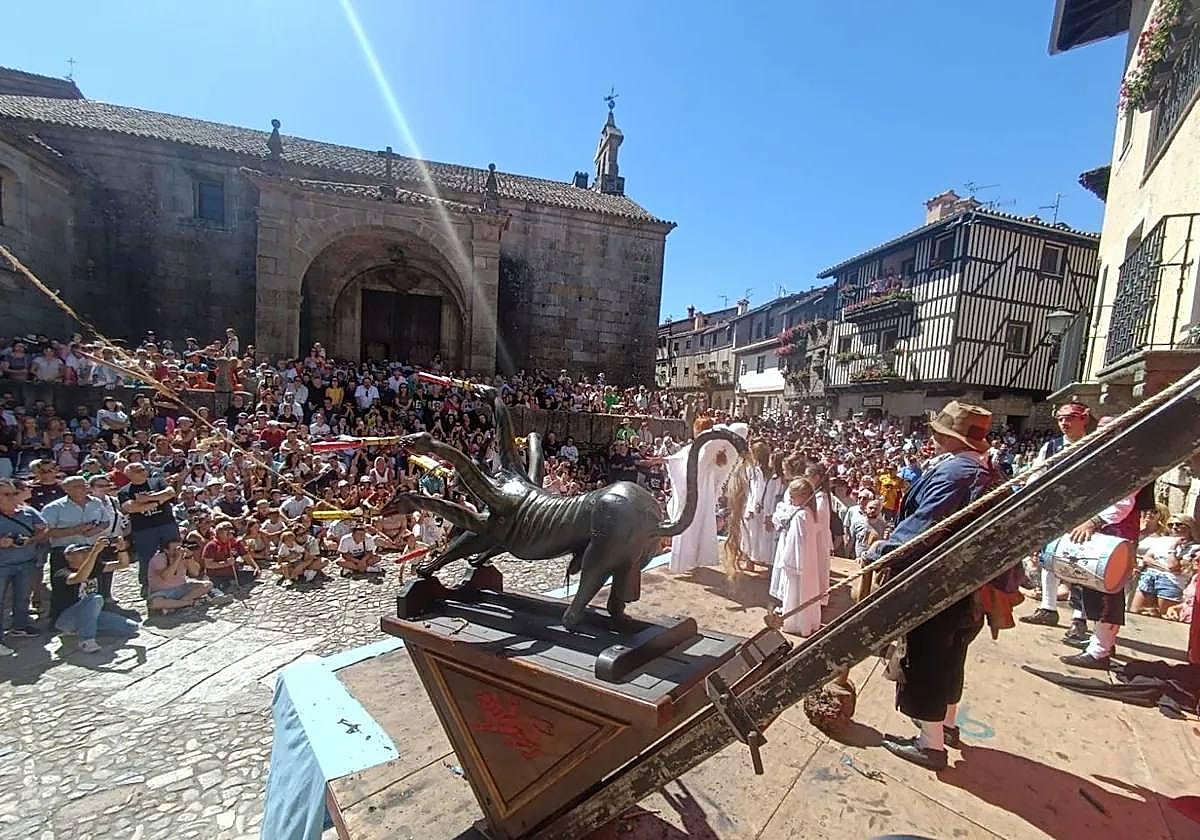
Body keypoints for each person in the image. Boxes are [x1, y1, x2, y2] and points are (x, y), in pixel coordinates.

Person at [870, 401, 999, 770]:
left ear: (950, 436)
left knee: (926, 657)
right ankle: (947, 725)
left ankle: (930, 745)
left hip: (938, 583)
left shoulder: (955, 473)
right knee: (952, 657)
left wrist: (884, 550)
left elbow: (927, 524)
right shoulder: (984, 469)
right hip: (967, 583)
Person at [1020, 402, 1092, 628]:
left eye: (1069, 418)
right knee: (1048, 557)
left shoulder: (1094, 444)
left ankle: (1079, 617)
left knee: (1079, 563)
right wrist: (1032, 502)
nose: (1064, 423)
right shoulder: (1051, 447)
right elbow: (1037, 474)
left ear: (1083, 419)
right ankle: (1048, 607)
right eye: (1060, 419)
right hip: (1054, 510)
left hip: (1083, 511)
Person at [664, 421, 745, 573]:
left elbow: (682, 463)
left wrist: (666, 461)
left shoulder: (705, 448)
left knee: (688, 528)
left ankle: (685, 561)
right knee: (699, 527)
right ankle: (696, 560)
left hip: (693, 493)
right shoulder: (718, 449)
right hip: (705, 496)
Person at [51, 540, 139, 653]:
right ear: (68, 557)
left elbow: (123, 564)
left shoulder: (95, 567)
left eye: (88, 550)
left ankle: (83, 629)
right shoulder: (61, 573)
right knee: (95, 599)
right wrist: (94, 553)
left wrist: (121, 549)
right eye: (80, 552)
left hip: (91, 615)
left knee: (132, 627)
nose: (85, 554)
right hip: (66, 619)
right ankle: (86, 640)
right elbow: (79, 577)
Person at [768, 477, 823, 637]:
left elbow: (795, 542)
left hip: (796, 563)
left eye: (793, 496)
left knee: (795, 594)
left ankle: (794, 624)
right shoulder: (809, 513)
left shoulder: (800, 516)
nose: (790, 500)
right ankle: (806, 623)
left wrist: (788, 562)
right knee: (805, 593)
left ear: (804, 496)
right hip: (807, 563)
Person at [118, 462, 179, 595]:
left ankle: (177, 577)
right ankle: (146, 583)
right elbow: (131, 508)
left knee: (174, 552)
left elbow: (170, 492)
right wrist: (158, 500)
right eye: (138, 471)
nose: (143, 472)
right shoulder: (124, 491)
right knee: (146, 557)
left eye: (143, 469)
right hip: (144, 529)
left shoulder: (158, 481)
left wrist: (147, 498)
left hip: (166, 523)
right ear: (129, 475)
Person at [0, 477, 45, 653]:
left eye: (14, 493)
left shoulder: (28, 512)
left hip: (26, 563)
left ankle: (20, 627)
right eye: (6, 494)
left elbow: (44, 530)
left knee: (23, 598)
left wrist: (31, 539)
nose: (12, 497)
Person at [1132, 514, 1198, 617]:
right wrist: (1165, 568)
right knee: (1136, 612)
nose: (1174, 527)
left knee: (1165, 617)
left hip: (1171, 582)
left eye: (1179, 524)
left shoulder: (1195, 548)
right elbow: (1147, 559)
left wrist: (1173, 547)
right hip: (1149, 577)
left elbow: (1173, 566)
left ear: (1189, 527)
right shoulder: (1162, 540)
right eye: (1171, 525)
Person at [147, 540, 212, 612]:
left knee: (208, 584)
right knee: (154, 603)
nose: (179, 551)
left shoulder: (184, 557)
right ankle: (188, 603)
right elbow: (166, 577)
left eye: (180, 548)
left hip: (181, 587)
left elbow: (195, 573)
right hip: (162, 592)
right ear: (166, 551)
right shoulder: (158, 559)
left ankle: (175, 605)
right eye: (175, 549)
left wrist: (189, 557)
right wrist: (177, 558)